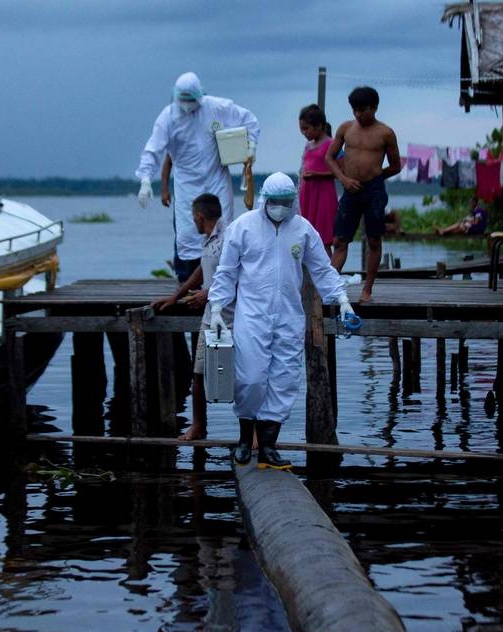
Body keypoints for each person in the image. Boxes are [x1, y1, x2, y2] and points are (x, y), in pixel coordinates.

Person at [209, 173, 358, 470]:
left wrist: (343, 302)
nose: (280, 208)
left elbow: (323, 270)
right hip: (252, 315)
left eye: (286, 203)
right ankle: (243, 439)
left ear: (293, 202)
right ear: (265, 199)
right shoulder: (243, 227)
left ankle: (268, 448)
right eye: (275, 202)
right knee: (250, 378)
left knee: (284, 382)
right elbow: (226, 272)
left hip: (289, 317)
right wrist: (216, 309)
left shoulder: (302, 230)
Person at [136, 72, 260, 283]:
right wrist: (146, 179)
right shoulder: (168, 117)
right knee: (187, 235)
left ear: (200, 96)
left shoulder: (216, 107)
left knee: (223, 234)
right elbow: (154, 149)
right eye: (183, 100)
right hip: (187, 187)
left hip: (217, 180)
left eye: (191, 100)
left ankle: (225, 281)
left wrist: (251, 147)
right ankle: (187, 281)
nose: (187, 104)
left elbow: (249, 120)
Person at [151, 193, 233, 441]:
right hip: (210, 317)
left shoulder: (230, 237)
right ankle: (199, 425)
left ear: (199, 217)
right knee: (198, 373)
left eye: (193, 219)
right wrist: (176, 296)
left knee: (242, 376)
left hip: (233, 315)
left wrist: (208, 293)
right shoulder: (208, 240)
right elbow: (201, 270)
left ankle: (249, 432)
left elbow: (238, 273)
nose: (193, 223)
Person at [325, 86, 401, 302]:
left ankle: (367, 290)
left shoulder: (385, 133)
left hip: (373, 191)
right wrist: (344, 179)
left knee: (374, 240)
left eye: (362, 110)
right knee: (340, 240)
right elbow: (330, 158)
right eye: (355, 110)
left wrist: (376, 177)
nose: (358, 114)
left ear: (374, 108)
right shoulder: (345, 129)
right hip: (350, 189)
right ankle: (329, 288)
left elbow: (396, 166)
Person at [297, 104, 338, 256]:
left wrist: (317, 175)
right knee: (308, 236)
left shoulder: (331, 144)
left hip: (323, 196)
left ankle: (329, 274)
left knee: (324, 238)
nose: (304, 132)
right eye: (302, 129)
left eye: (306, 128)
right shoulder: (308, 146)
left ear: (319, 126)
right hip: (308, 195)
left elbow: (340, 171)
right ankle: (311, 277)